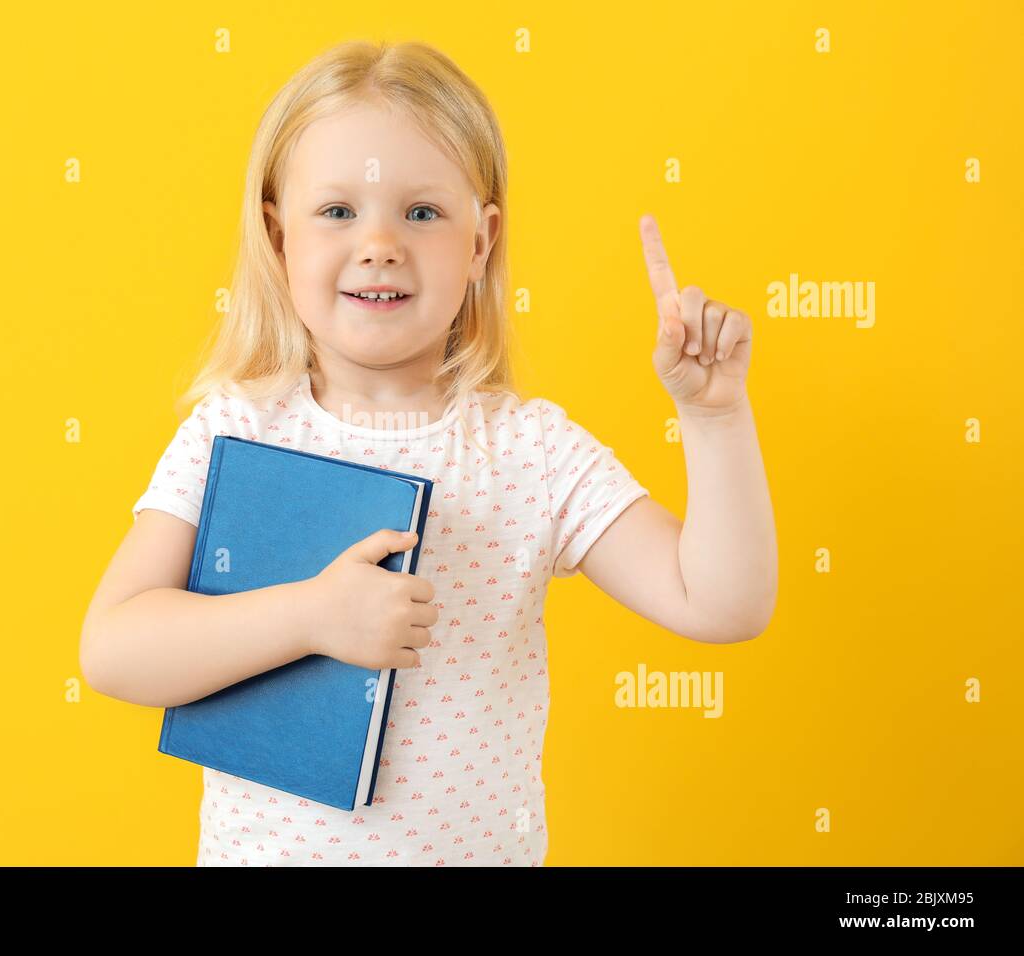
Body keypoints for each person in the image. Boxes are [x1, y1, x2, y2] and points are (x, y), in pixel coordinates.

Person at [79, 39, 777, 866]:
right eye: (338, 212)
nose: (379, 244)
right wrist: (309, 617)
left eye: (421, 212)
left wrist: (714, 418)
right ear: (278, 239)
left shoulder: (532, 450)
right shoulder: (234, 432)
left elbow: (721, 604)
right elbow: (114, 650)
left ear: (480, 244)